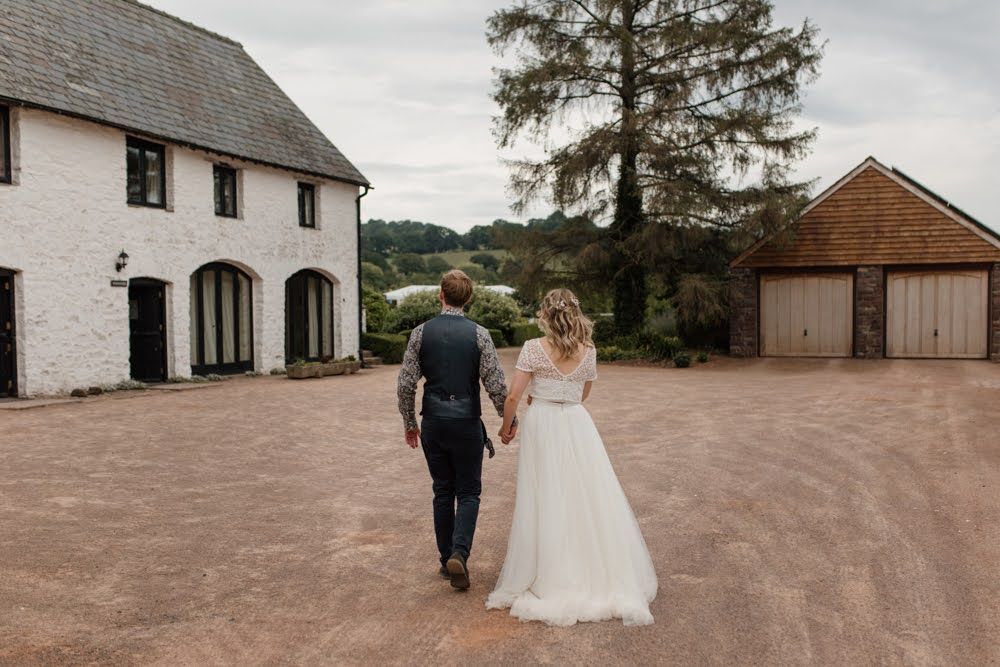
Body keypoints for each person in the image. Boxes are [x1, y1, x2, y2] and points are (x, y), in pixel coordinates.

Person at [486, 288, 658, 626]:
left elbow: (512, 397)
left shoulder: (534, 348)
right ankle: (594, 568)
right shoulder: (589, 350)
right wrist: (559, 397)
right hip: (577, 423)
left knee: (545, 494)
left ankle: (550, 572)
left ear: (546, 315)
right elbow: (584, 393)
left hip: (544, 425)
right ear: (575, 314)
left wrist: (507, 429)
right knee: (585, 494)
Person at [396, 270, 513, 590]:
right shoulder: (480, 334)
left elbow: (406, 384)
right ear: (469, 299)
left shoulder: (420, 333)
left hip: (433, 422)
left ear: (441, 295)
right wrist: (508, 422)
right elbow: (496, 386)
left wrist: (410, 423)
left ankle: (446, 559)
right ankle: (459, 553)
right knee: (469, 491)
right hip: (466, 424)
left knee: (442, 490)